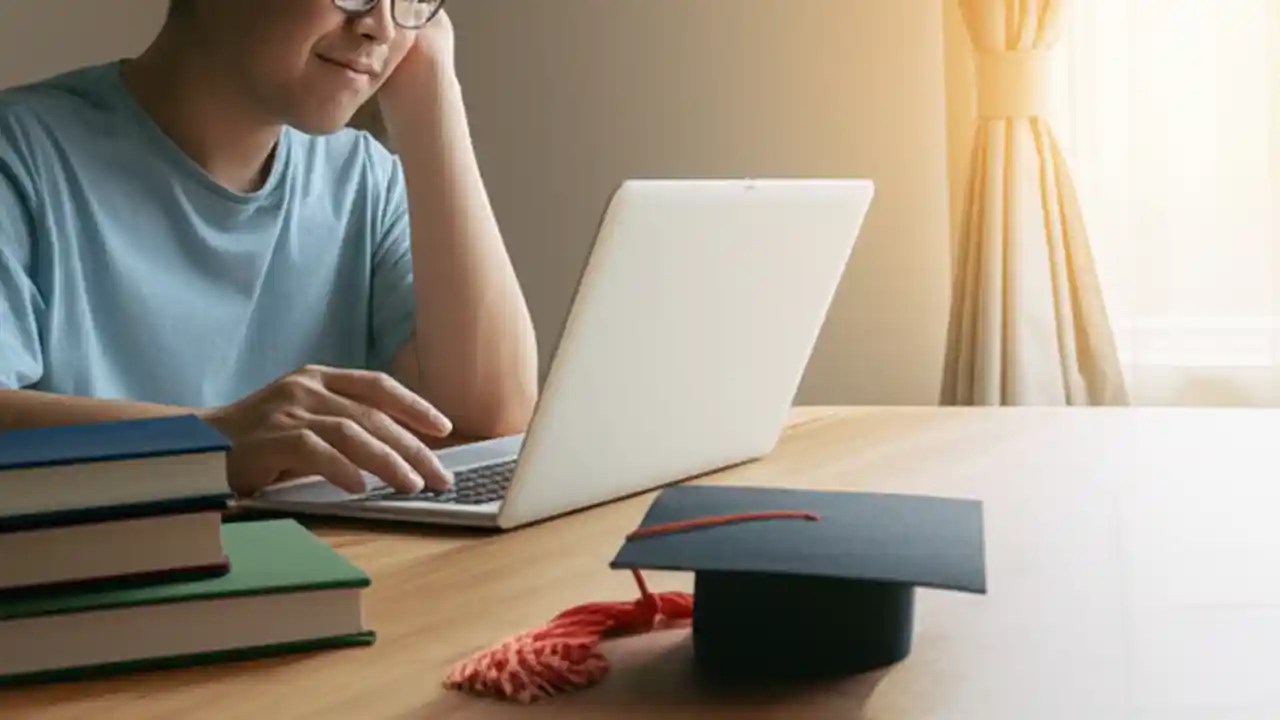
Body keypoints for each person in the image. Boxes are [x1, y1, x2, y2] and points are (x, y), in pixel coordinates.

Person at [0, 0, 540, 498]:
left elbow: (491, 423)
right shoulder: (22, 157)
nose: (380, 22)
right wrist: (211, 441)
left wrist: (432, 91)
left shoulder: (362, 180)